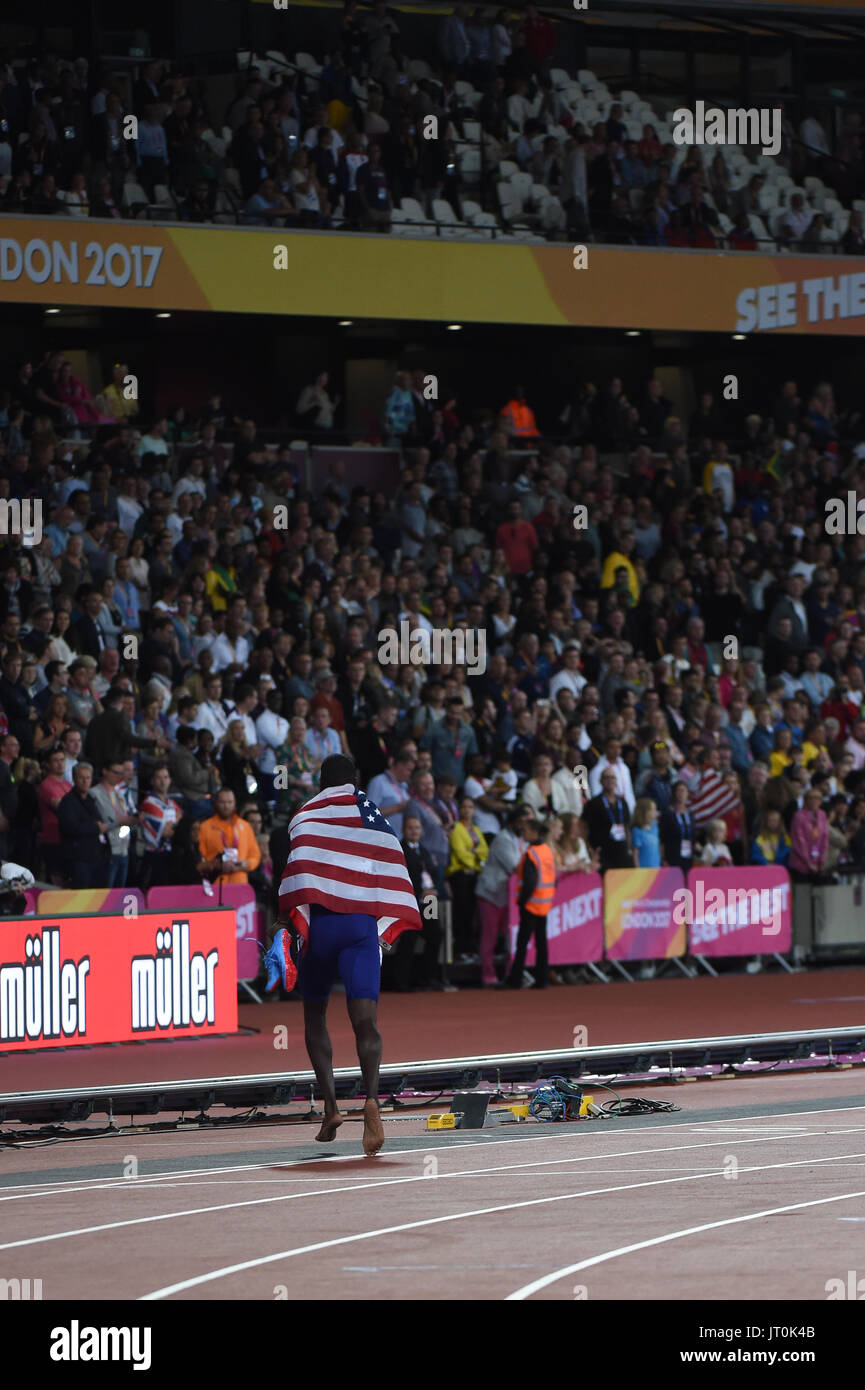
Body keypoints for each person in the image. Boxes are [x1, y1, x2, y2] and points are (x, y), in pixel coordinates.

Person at [270, 753, 421, 1157]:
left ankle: (332, 1108)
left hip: (321, 927)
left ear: (321, 781)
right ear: (354, 779)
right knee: (366, 1023)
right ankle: (372, 1102)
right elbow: (394, 860)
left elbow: (293, 870)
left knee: (314, 1015)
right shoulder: (370, 812)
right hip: (358, 929)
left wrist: (285, 923)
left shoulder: (305, 814)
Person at [395, 813, 451, 992]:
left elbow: (433, 873)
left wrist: (433, 890)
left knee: (435, 935)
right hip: (411, 901)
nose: (414, 831)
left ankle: (429, 978)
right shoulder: (400, 850)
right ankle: (403, 982)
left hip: (429, 901)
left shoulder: (424, 850)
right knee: (409, 938)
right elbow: (400, 878)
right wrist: (420, 891)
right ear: (404, 830)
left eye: (417, 828)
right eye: (411, 828)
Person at [475, 805, 529, 988]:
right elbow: (515, 867)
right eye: (521, 822)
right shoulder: (502, 840)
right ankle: (487, 975)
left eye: (526, 823)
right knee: (489, 937)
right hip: (491, 894)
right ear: (512, 822)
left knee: (508, 937)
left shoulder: (522, 840)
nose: (524, 826)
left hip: (508, 897)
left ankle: (509, 973)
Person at [505, 819, 556, 990]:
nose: (523, 832)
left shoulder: (532, 853)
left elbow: (530, 881)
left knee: (522, 943)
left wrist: (522, 900)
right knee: (541, 943)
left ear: (534, 832)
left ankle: (515, 979)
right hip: (544, 903)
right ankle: (542, 979)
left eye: (525, 830)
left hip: (531, 904)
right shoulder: (547, 851)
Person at [446, 794, 489, 960]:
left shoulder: (476, 830)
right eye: (464, 807)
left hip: (475, 876)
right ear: (459, 810)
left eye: (470, 807)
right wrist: (476, 857)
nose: (467, 810)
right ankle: (460, 949)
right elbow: (460, 852)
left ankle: (470, 949)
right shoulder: (456, 828)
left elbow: (485, 851)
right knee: (461, 913)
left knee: (473, 914)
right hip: (460, 876)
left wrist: (475, 853)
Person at [57, 761, 109, 887]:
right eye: (81, 778)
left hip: (96, 856)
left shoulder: (91, 799)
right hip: (78, 859)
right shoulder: (68, 802)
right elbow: (70, 827)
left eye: (88, 778)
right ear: (74, 779)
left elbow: (99, 820)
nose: (85, 781)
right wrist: (96, 828)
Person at [90, 758, 138, 888]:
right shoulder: (94, 793)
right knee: (106, 893)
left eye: (121, 773)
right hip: (108, 850)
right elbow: (99, 822)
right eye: (115, 772)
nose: (119, 776)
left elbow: (124, 815)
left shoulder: (119, 793)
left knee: (118, 893)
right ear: (105, 771)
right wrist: (119, 821)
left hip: (123, 848)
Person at [198, 787, 261, 886]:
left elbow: (255, 856)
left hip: (240, 884)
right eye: (222, 802)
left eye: (230, 802)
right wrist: (217, 865)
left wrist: (246, 864)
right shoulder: (205, 827)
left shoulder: (245, 826)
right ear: (215, 804)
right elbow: (200, 859)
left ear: (235, 804)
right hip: (215, 884)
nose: (226, 806)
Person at [584, 768, 633, 870]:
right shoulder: (594, 803)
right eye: (606, 777)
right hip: (604, 853)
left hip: (622, 851)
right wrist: (590, 849)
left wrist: (629, 848)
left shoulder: (622, 802)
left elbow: (627, 826)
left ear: (616, 781)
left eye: (612, 777)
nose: (610, 780)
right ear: (601, 781)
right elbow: (584, 828)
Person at [631, 797, 661, 867]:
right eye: (652, 810)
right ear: (644, 812)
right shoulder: (637, 830)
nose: (655, 812)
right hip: (644, 869)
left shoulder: (655, 828)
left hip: (656, 867)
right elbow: (635, 853)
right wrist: (637, 868)